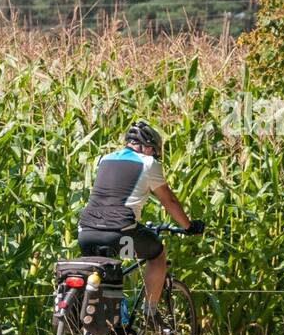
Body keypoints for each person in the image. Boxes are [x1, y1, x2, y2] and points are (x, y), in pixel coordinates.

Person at [76, 120, 203, 315]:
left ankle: (98, 334)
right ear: (145, 146)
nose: (153, 154)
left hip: (86, 232)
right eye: (153, 149)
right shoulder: (148, 163)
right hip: (119, 233)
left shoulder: (105, 159)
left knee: (105, 279)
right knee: (157, 253)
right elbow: (169, 201)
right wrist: (188, 226)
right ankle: (150, 313)